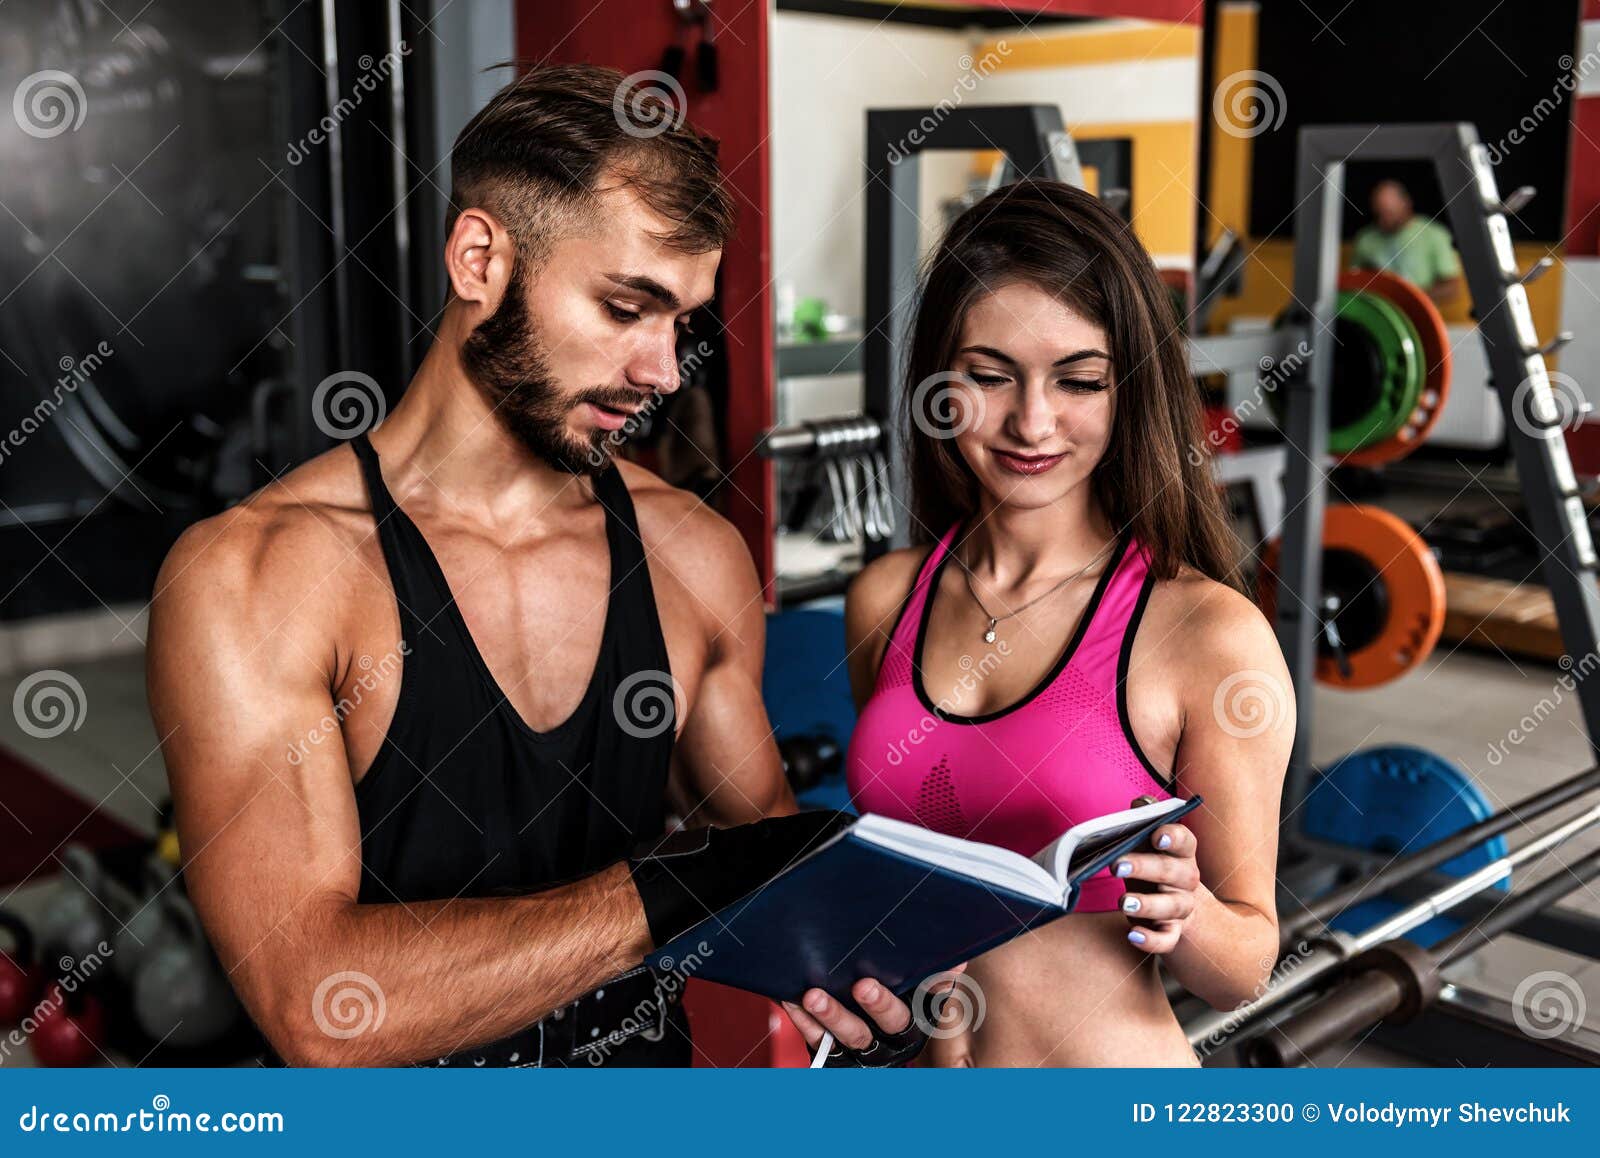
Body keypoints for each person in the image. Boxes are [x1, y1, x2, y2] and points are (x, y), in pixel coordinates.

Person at [147, 63, 919, 1068]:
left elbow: (764, 867)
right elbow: (318, 1007)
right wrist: (661, 891)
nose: (658, 370)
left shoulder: (692, 554)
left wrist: (894, 939)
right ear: (479, 259)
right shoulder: (259, 577)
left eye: (680, 320)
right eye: (623, 306)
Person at [838, 179, 1295, 1067]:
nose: (1031, 422)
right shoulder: (886, 600)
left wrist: (1189, 912)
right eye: (988, 376)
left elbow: (1245, 967)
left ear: (1129, 391)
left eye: (1078, 380)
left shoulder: (1204, 633)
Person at [1350, 179, 1464, 305]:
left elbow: (1452, 287)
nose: (1383, 221)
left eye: (1389, 213)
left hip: (1421, 314)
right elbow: (1355, 283)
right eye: (1378, 215)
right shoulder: (1365, 239)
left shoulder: (1433, 234)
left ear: (1406, 204)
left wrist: (1410, 299)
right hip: (1379, 314)